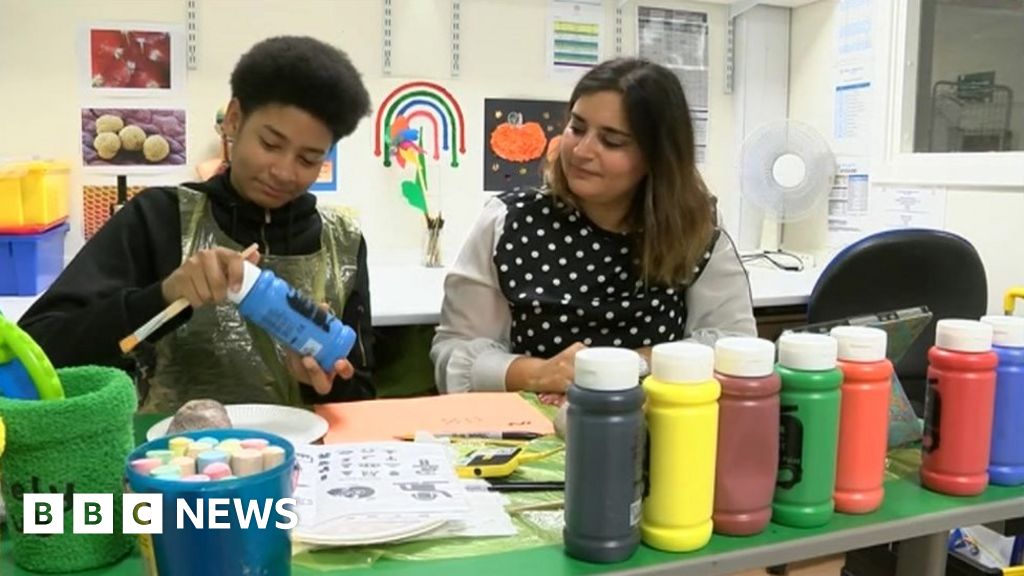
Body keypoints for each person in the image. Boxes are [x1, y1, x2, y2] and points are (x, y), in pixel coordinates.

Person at [20, 36, 375, 411]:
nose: (284, 172)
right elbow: (38, 352)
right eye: (270, 145)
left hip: (304, 460)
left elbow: (364, 397)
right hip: (171, 460)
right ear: (235, 120)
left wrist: (319, 385)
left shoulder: (342, 242)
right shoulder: (158, 219)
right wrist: (163, 297)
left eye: (308, 160)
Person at [431, 58, 756, 400]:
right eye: (577, 128)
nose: (583, 151)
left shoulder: (694, 234)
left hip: (655, 429)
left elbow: (735, 348)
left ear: (657, 158)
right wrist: (539, 374)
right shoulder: (509, 222)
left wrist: (632, 364)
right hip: (530, 432)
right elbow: (453, 351)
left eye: (612, 141)